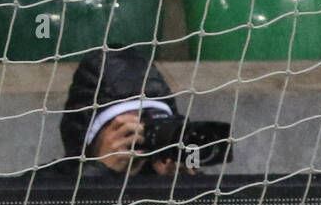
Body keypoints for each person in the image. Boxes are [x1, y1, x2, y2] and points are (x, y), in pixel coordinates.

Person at [53, 48, 230, 179]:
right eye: (128, 131)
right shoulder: (39, 186)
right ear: (91, 137)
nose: (142, 138)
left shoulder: (175, 179)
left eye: (152, 125)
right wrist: (100, 174)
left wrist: (186, 186)